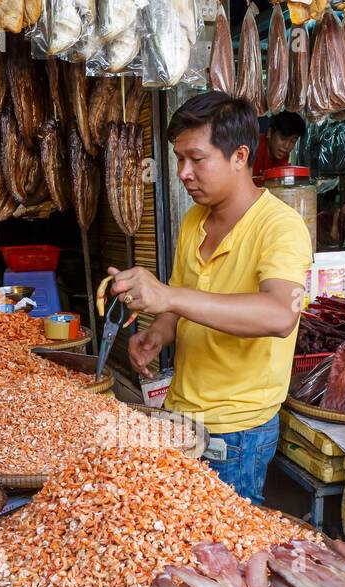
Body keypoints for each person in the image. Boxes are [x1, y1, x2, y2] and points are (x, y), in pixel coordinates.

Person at [109, 92, 313, 504]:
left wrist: (168, 296)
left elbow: (279, 314)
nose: (183, 173)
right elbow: (180, 303)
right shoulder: (193, 221)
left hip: (236, 430)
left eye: (196, 159)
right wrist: (158, 334)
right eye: (178, 158)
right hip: (182, 410)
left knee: (221, 557)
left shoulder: (281, 227)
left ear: (240, 156)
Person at [251, 110, 307, 183]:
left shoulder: (282, 155)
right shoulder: (252, 148)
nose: (286, 146)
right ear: (270, 133)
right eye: (283, 138)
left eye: (293, 141)